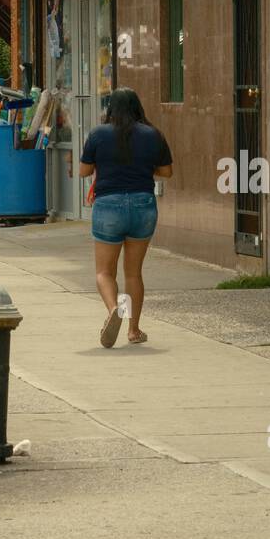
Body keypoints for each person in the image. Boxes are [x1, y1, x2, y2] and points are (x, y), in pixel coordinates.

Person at [79, 88, 172, 347]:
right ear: (137, 107)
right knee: (134, 273)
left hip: (109, 204)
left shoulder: (99, 133)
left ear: (111, 108)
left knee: (104, 272)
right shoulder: (153, 134)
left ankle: (113, 310)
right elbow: (167, 172)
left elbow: (84, 170)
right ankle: (133, 330)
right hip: (143, 204)